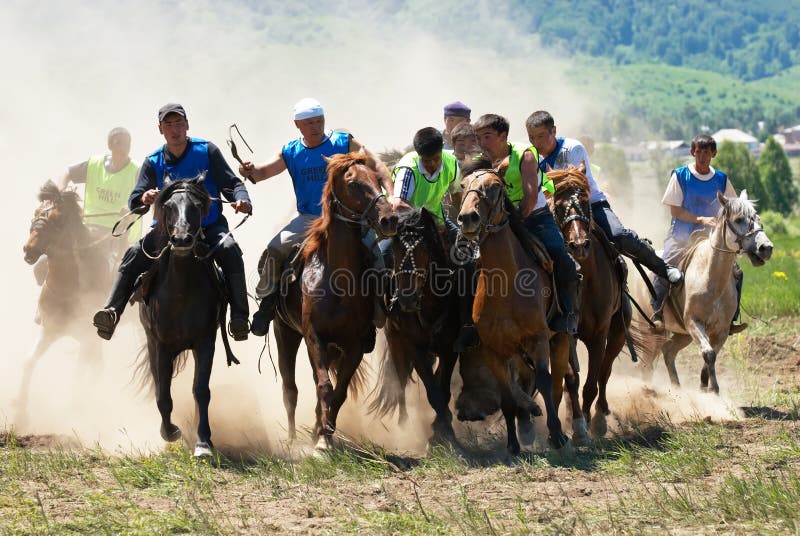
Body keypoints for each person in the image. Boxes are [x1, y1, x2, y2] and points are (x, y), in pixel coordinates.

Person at [92, 103, 253, 341]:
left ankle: (239, 318)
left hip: (208, 227)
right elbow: (136, 199)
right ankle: (112, 312)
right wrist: (143, 198)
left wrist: (241, 199)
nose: (175, 129)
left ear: (187, 125)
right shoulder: (153, 160)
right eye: (169, 124)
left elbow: (233, 184)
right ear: (160, 129)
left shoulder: (207, 151)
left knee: (230, 250)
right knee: (133, 254)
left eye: (179, 123)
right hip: (166, 233)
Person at [240, 98, 396, 337]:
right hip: (310, 218)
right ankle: (267, 303)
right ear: (297, 125)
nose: (316, 126)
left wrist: (391, 194)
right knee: (274, 249)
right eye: (310, 122)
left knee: (375, 254)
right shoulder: (291, 151)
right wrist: (249, 171)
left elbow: (375, 163)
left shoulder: (343, 141)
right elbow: (262, 173)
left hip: (348, 218)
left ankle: (377, 305)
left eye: (319, 121)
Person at [525, 110, 684, 308]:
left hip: (589, 203)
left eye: (541, 136)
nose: (536, 142)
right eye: (532, 138)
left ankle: (663, 269)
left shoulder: (572, 148)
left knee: (618, 235)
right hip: (557, 210)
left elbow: (575, 182)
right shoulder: (534, 161)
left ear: (554, 131)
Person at [472, 113, 579, 334]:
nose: (482, 143)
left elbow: (530, 198)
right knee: (463, 265)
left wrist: (511, 224)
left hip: (535, 218)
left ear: (503, 136)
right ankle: (469, 323)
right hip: (494, 223)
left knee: (563, 259)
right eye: (478, 138)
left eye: (487, 137)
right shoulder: (479, 161)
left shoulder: (525, 155)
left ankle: (567, 314)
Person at [388, 127, 478, 351]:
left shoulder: (450, 162)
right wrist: (426, 222)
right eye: (426, 161)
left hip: (438, 220)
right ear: (419, 156)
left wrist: (461, 221)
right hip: (406, 226)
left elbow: (457, 193)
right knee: (379, 256)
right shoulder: (408, 169)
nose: (431, 164)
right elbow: (398, 204)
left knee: (467, 259)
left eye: (435, 159)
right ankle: (381, 314)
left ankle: (467, 323)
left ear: (441, 151)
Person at [655, 134, 744, 333]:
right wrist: (700, 219)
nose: (702, 156)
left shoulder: (721, 179)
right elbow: (675, 211)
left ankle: (731, 320)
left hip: (712, 241)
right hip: (681, 238)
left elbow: (734, 208)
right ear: (692, 152)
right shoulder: (680, 176)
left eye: (707, 152)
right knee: (663, 268)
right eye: (699, 152)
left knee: (737, 273)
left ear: (714, 153)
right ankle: (657, 312)